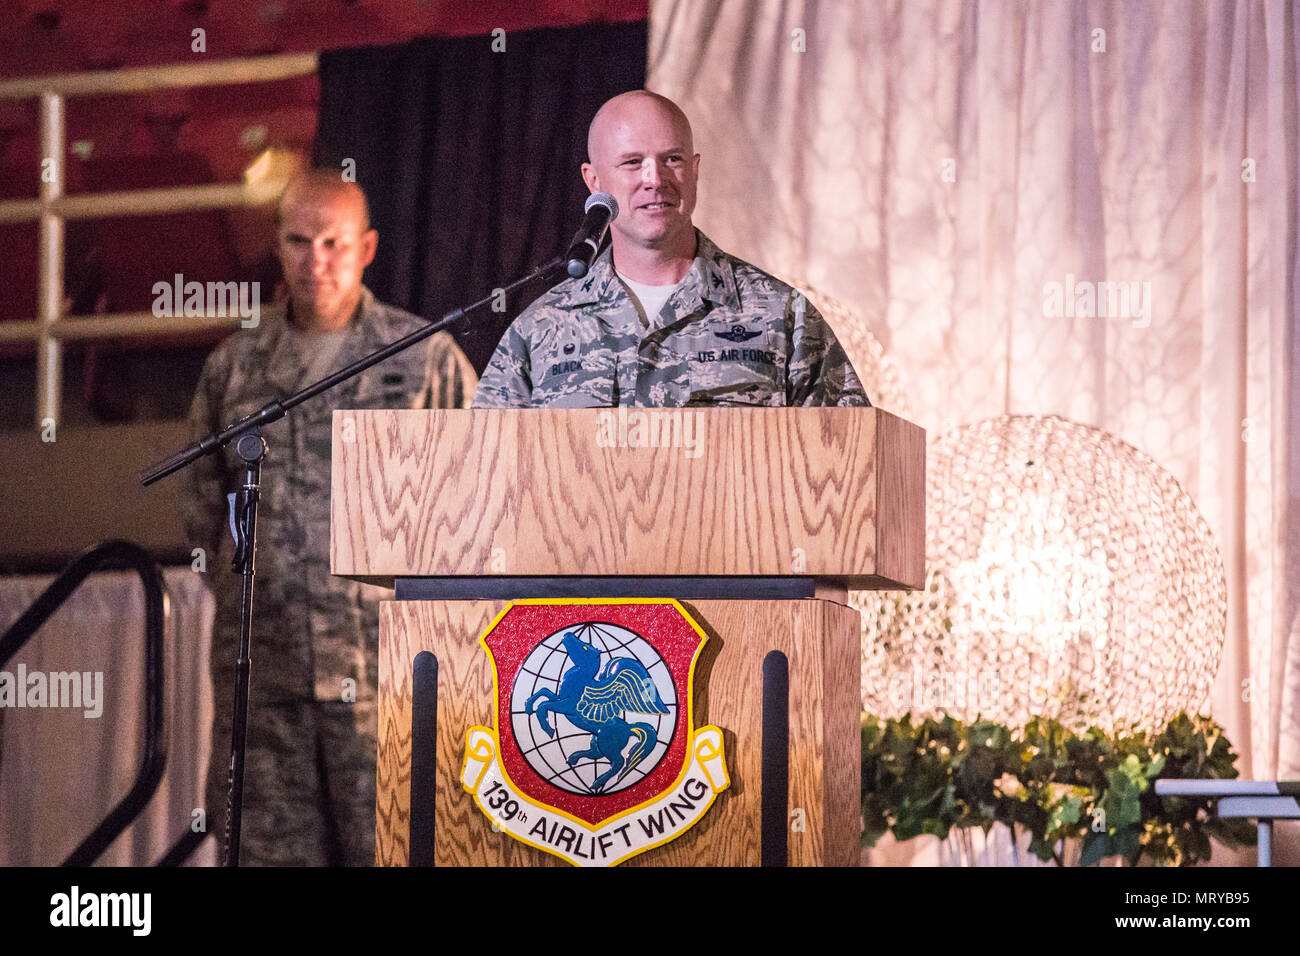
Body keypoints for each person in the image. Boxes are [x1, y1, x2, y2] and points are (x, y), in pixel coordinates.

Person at [180, 170, 477, 866]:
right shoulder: (235, 367)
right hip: (265, 681)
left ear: (367, 247)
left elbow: (477, 508)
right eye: (299, 240)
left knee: (403, 849)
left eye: (335, 243)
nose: (317, 260)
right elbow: (200, 509)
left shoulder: (422, 357)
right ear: (278, 248)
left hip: (389, 681)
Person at [473, 90, 869, 408]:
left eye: (672, 159)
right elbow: (489, 474)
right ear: (594, 181)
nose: (655, 179)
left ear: (694, 171)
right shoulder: (541, 330)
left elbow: (847, 465)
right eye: (631, 162)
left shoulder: (784, 317)